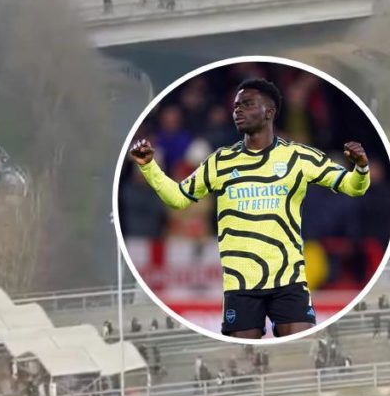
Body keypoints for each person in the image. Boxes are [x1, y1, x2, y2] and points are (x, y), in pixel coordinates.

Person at [129, 78, 371, 338]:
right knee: (246, 359)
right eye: (235, 106)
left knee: (300, 348)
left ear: (269, 112)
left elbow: (352, 187)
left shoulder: (299, 157)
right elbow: (178, 198)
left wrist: (361, 169)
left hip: (288, 282)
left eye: (247, 104)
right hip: (241, 286)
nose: (238, 111)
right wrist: (149, 166)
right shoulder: (220, 162)